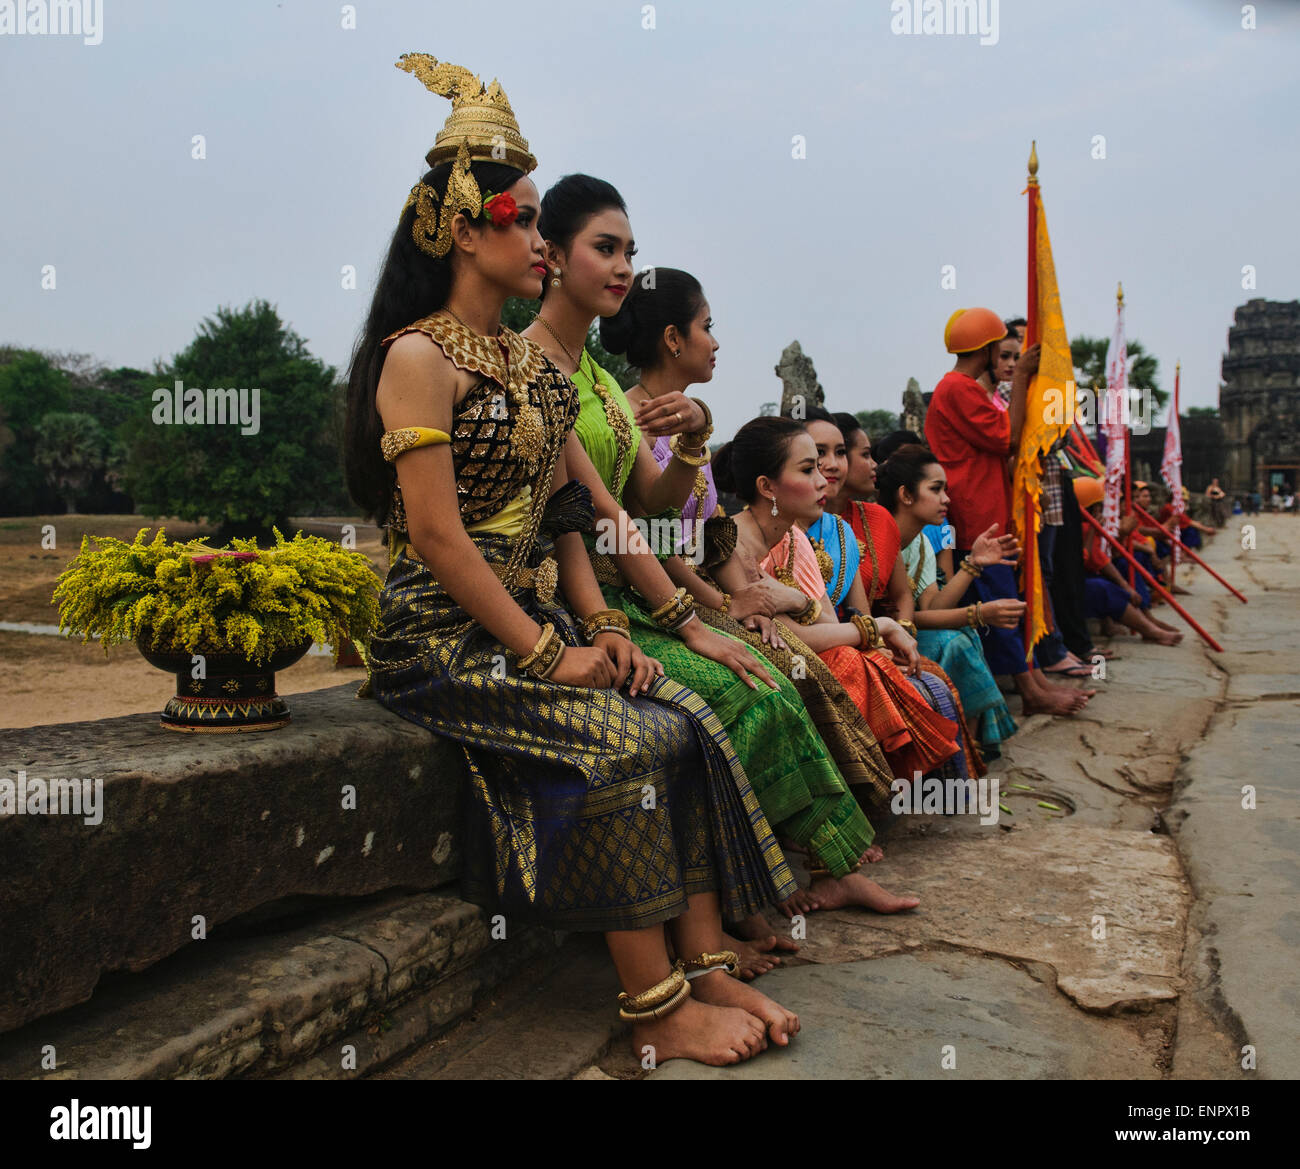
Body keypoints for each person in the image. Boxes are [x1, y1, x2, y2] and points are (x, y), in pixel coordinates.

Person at [345, 56, 798, 1063]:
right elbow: (436, 537)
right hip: (436, 639)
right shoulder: (418, 359)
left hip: (531, 623)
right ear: (464, 232)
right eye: (518, 218)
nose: (536, 240)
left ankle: (702, 959)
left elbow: (563, 519)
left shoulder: (531, 369)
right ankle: (657, 1007)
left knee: (676, 721)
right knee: (620, 746)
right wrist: (550, 657)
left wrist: (595, 627)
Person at [523, 176, 916, 931]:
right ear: (553, 252)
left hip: (640, 579)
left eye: (628, 252)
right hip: (581, 595)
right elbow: (598, 518)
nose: (622, 267)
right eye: (604, 248)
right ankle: (740, 902)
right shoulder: (536, 368)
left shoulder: (600, 382)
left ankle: (829, 865)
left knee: (768, 677)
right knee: (736, 694)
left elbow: (654, 501)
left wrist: (697, 435)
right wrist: (696, 617)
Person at [713, 417, 966, 792]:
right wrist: (881, 626)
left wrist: (796, 599)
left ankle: (901, 789)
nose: (822, 480)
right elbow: (794, 638)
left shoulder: (796, 539)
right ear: (767, 487)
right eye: (808, 468)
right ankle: (859, 799)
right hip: (757, 660)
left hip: (803, 651)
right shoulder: (730, 542)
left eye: (822, 465)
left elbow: (826, 620)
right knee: (847, 662)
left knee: (880, 663)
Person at [925, 307, 1091, 715]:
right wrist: (1020, 378)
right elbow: (1009, 438)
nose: (1008, 358)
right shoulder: (958, 388)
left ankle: (1034, 679)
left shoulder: (965, 388)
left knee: (1010, 600)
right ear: (985, 349)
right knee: (998, 605)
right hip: (976, 515)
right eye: (1001, 349)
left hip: (989, 509)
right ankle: (1031, 692)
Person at [877, 445, 1020, 758]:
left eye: (945, 490)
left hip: (904, 633)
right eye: (936, 489)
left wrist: (973, 564)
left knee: (961, 635)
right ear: (906, 495)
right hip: (876, 638)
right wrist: (979, 613)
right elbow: (916, 617)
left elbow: (930, 608)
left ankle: (965, 742)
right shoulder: (874, 536)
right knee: (955, 640)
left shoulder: (922, 543)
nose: (947, 500)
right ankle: (960, 745)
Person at [1073, 479, 1182, 644]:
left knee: (1129, 564)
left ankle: (1147, 618)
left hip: (1090, 573)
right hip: (1076, 583)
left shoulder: (1101, 523)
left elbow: (1119, 547)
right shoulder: (1084, 528)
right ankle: (1149, 627)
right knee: (1110, 582)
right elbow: (1095, 559)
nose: (1129, 505)